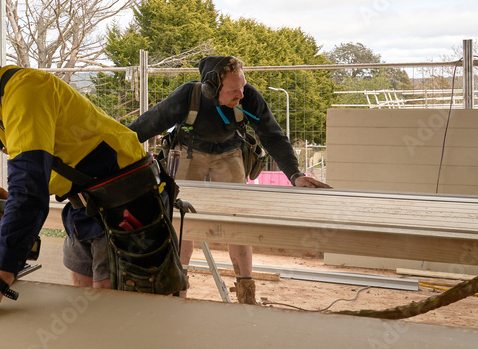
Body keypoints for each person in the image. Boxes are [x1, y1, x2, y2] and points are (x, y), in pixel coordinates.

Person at [0, 30, 184, 323]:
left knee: (122, 322)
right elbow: (48, 168)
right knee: (86, 316)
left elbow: (29, 194)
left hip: (125, 205)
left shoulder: (23, 92)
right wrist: (15, 197)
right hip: (85, 206)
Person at [129, 55, 330, 304]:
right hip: (188, 151)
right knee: (180, 221)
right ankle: (177, 288)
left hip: (230, 152)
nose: (241, 94)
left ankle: (246, 292)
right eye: (234, 90)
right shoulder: (187, 96)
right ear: (211, 88)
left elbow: (273, 136)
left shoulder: (249, 97)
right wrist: (112, 151)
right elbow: (144, 126)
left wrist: (295, 175)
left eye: (242, 87)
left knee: (238, 220)